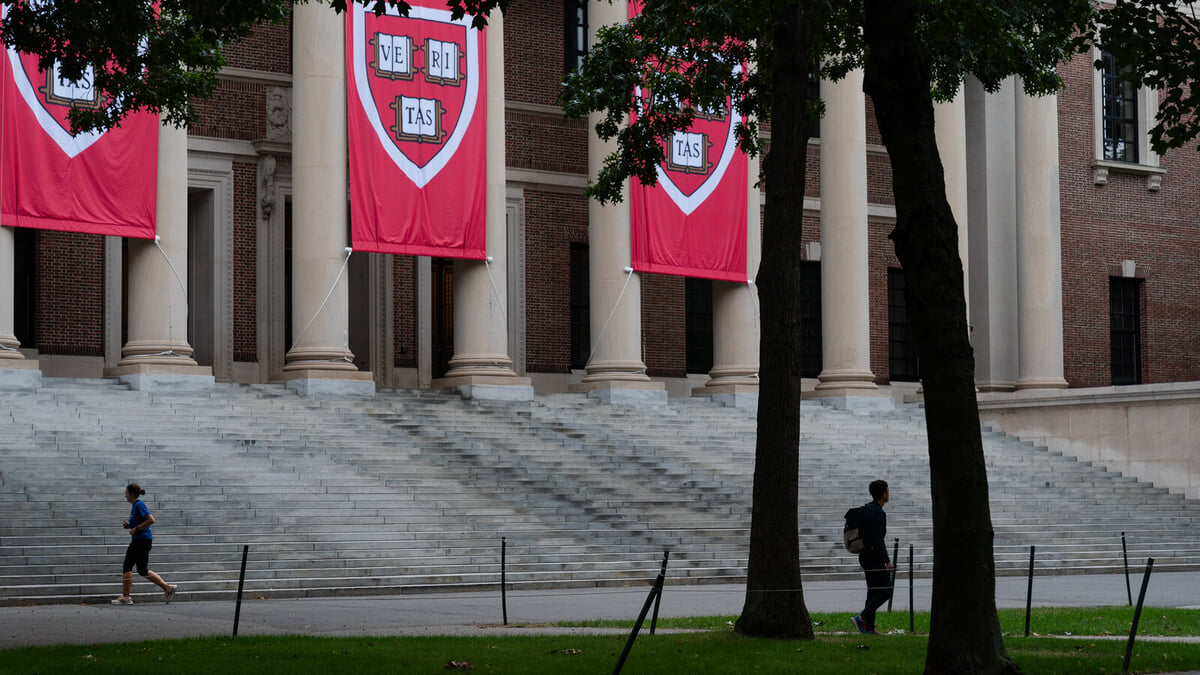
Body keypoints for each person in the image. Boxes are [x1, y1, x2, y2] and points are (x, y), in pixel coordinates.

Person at [112, 483, 178, 605]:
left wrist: (136, 529)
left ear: (131, 494)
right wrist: (130, 526)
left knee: (127, 565)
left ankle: (126, 597)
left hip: (141, 540)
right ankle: (168, 588)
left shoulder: (139, 505)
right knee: (142, 570)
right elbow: (140, 522)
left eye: (126, 493)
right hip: (143, 540)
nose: (125, 495)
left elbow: (151, 520)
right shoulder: (135, 506)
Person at [851, 479, 892, 635]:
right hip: (873, 556)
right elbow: (877, 538)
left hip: (866, 555)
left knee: (873, 591)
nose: (889, 493)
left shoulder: (868, 509)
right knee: (886, 590)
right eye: (888, 490)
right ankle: (862, 617)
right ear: (883, 493)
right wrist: (887, 560)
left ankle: (868, 628)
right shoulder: (876, 512)